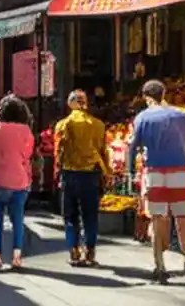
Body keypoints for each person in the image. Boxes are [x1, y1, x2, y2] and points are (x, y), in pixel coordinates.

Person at [127, 79, 185, 284]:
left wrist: (130, 172)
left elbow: (132, 147)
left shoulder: (142, 118)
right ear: (164, 94)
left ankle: (160, 266)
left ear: (146, 97)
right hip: (180, 171)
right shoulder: (184, 117)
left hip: (154, 172)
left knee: (158, 218)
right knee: (183, 217)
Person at [55, 89, 111, 267]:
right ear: (85, 103)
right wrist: (106, 172)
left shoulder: (63, 124)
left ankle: (74, 251)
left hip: (70, 172)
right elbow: (104, 152)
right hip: (91, 173)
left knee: (70, 215)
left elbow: (59, 152)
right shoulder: (98, 125)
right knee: (90, 215)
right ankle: (90, 252)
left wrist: (57, 172)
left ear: (70, 103)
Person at [0, 94, 35, 271]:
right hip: (20, 181)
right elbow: (28, 156)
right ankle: (16, 257)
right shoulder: (26, 131)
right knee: (18, 220)